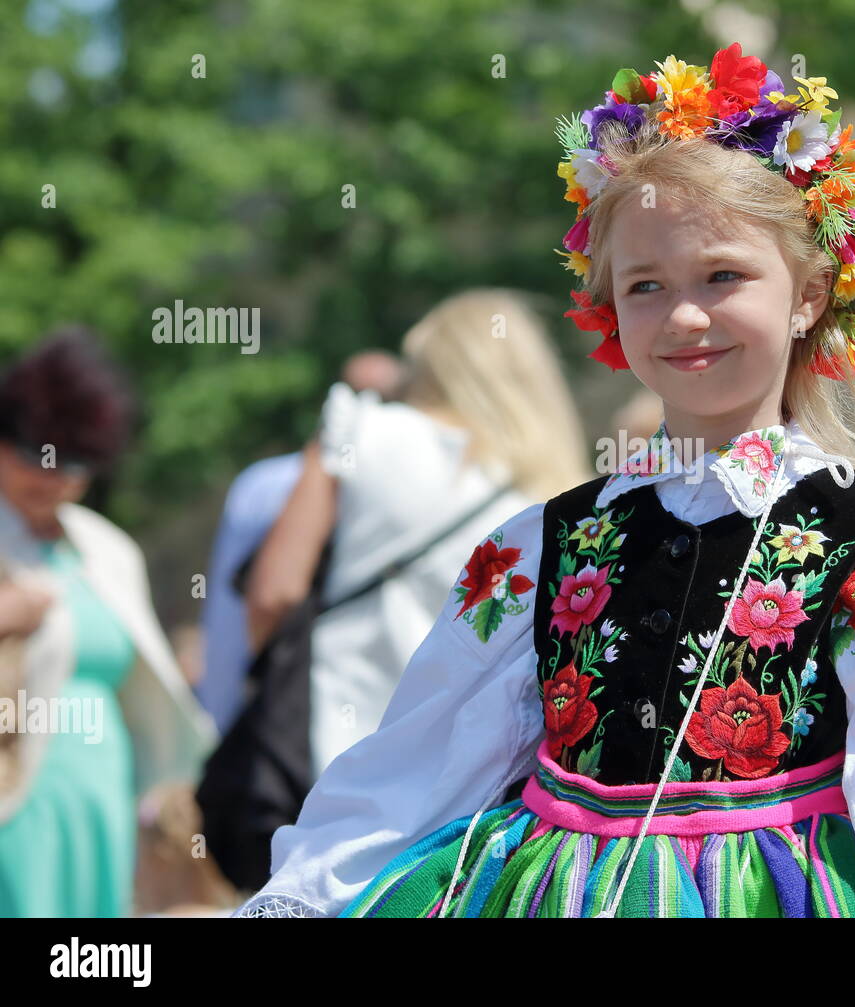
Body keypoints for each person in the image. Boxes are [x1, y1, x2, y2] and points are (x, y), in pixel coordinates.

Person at [234, 43, 855, 918]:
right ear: (607, 306)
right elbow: (411, 765)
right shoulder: (540, 544)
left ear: (807, 296)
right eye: (643, 285)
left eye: (722, 275)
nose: (683, 315)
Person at [244, 290, 590, 778]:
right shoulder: (554, 495)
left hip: (332, 738)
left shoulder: (360, 429)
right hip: (469, 772)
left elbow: (274, 593)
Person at [0, 329, 215, 917]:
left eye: (73, 462)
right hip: (14, 795)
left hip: (104, 789)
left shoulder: (105, 547)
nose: (52, 476)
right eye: (33, 455)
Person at [197, 351, 405, 736]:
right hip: (287, 714)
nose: (369, 409)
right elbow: (239, 612)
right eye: (357, 394)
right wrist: (221, 719)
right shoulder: (266, 487)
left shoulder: (420, 491)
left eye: (384, 398)